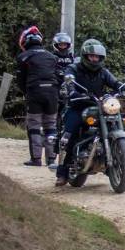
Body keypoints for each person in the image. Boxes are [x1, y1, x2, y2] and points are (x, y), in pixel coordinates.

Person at [55, 39, 125, 185]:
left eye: (98, 57)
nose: (95, 59)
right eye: (92, 56)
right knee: (70, 133)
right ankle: (62, 172)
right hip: (77, 106)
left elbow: (115, 82)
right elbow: (69, 82)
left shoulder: (103, 72)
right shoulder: (73, 69)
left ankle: (117, 166)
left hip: (98, 106)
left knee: (113, 122)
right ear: (85, 56)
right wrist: (72, 92)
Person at [15, 26, 59, 166]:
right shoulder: (52, 57)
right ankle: (51, 159)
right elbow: (58, 76)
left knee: (34, 125)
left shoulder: (23, 57)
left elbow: (20, 80)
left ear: (25, 41)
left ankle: (36, 159)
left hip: (35, 92)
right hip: (52, 93)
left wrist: (26, 92)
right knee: (51, 125)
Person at [49, 32, 75, 163]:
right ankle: (53, 151)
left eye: (65, 44)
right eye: (61, 44)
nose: (63, 46)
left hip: (70, 90)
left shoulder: (73, 57)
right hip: (56, 90)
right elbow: (48, 71)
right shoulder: (52, 57)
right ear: (56, 45)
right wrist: (56, 74)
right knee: (56, 119)